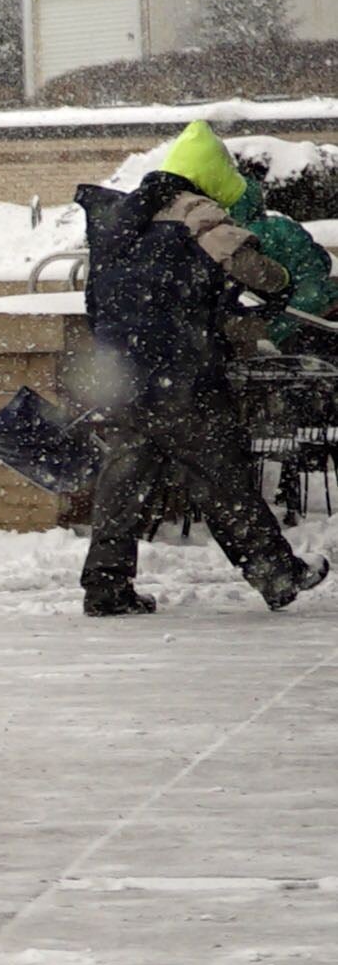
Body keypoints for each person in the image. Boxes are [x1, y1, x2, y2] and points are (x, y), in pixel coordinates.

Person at [73, 122, 331, 617]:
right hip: (179, 368)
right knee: (218, 475)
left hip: (122, 370)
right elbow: (260, 273)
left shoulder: (120, 218)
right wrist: (275, 288)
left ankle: (105, 587)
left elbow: (99, 297)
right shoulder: (196, 212)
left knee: (123, 479)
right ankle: (276, 574)